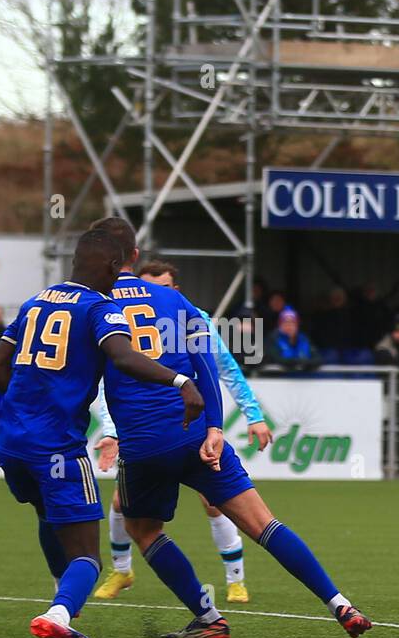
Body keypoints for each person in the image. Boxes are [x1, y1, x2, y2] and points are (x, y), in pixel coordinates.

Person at [86, 217, 371, 638]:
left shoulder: (93, 303)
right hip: (198, 433)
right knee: (264, 524)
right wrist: (215, 427)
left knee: (142, 530)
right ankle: (340, 604)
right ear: (135, 256)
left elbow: (83, 377)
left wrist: (98, 431)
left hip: (145, 440)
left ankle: (208, 617)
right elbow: (207, 366)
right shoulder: (177, 301)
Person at [0, 227, 206, 638]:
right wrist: (180, 380)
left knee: (48, 512)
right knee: (89, 556)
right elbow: (123, 356)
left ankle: (61, 591)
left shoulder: (35, 302)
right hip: (57, 448)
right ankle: (59, 613)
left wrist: (29, 407)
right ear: (109, 265)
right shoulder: (99, 307)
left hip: (11, 443)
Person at [92, 258, 273, 604]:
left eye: (162, 288)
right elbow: (106, 383)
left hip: (192, 429)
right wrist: (112, 432)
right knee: (120, 503)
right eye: (148, 286)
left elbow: (226, 370)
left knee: (214, 501)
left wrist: (254, 415)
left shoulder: (195, 319)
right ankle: (122, 570)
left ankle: (235, 580)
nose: (151, 294)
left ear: (175, 290)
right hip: (148, 433)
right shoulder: (117, 324)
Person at [266, 307, 320, 371]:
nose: (289, 326)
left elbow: (317, 359)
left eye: (292, 323)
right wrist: (299, 362)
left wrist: (306, 364)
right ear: (280, 325)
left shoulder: (304, 339)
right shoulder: (273, 338)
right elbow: (276, 359)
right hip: (279, 377)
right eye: (285, 323)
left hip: (304, 376)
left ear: (297, 325)